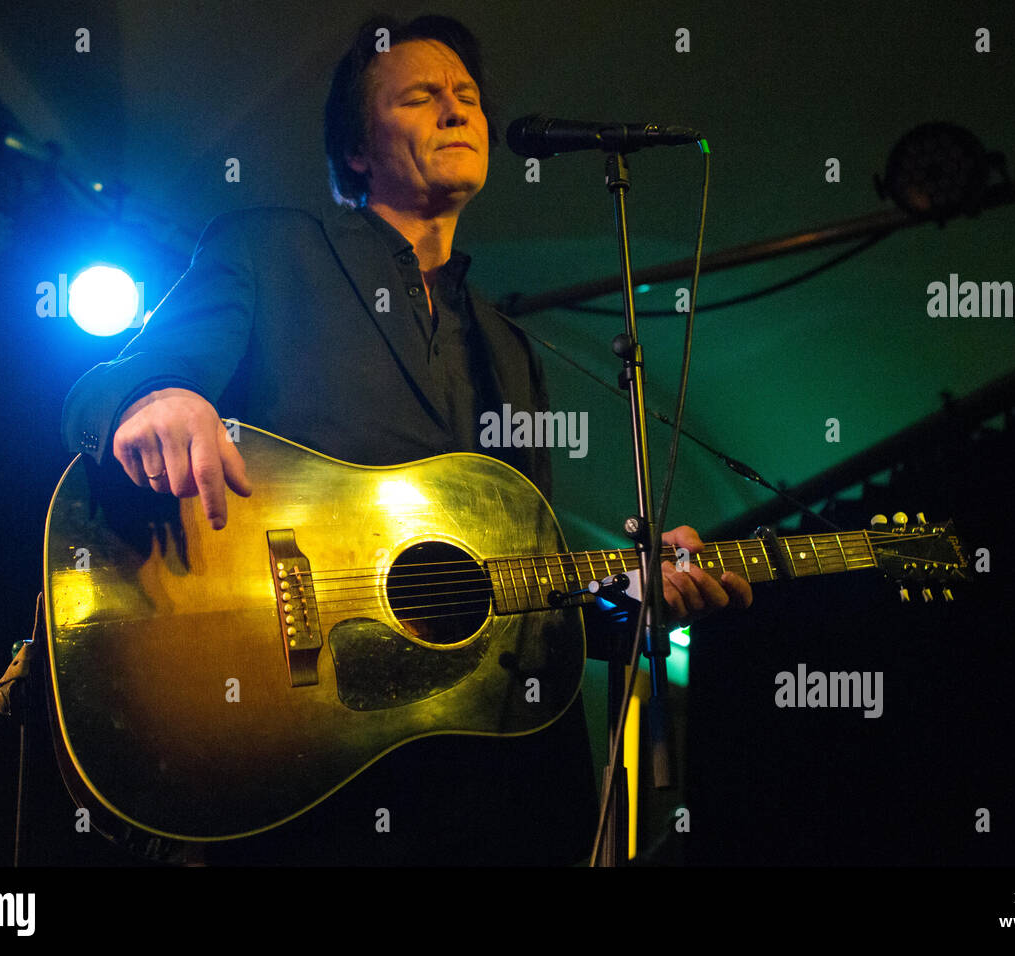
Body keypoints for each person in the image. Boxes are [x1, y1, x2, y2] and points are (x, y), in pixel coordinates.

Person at [61, 14, 751, 864]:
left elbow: (524, 584)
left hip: (476, 788)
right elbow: (99, 389)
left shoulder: (509, 347)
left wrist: (626, 602)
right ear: (356, 150)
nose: (458, 112)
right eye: (423, 97)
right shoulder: (275, 248)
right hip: (302, 765)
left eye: (466, 97)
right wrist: (156, 396)